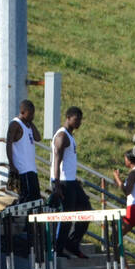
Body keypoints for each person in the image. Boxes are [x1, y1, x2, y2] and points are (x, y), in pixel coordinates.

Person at [50, 106, 89, 258]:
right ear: (68, 118)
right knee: (66, 216)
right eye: (76, 119)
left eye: (80, 119)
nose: (79, 122)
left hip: (72, 181)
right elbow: (56, 161)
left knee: (86, 210)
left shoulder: (70, 136)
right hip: (64, 182)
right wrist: (56, 184)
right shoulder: (62, 136)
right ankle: (58, 249)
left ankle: (71, 243)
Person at [5, 98, 40, 203]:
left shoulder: (28, 125)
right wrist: (11, 164)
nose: (32, 117)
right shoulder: (15, 124)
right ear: (22, 112)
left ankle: (28, 219)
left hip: (31, 169)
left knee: (35, 199)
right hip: (22, 169)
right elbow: (8, 144)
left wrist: (30, 122)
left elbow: (38, 137)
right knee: (26, 199)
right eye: (30, 114)